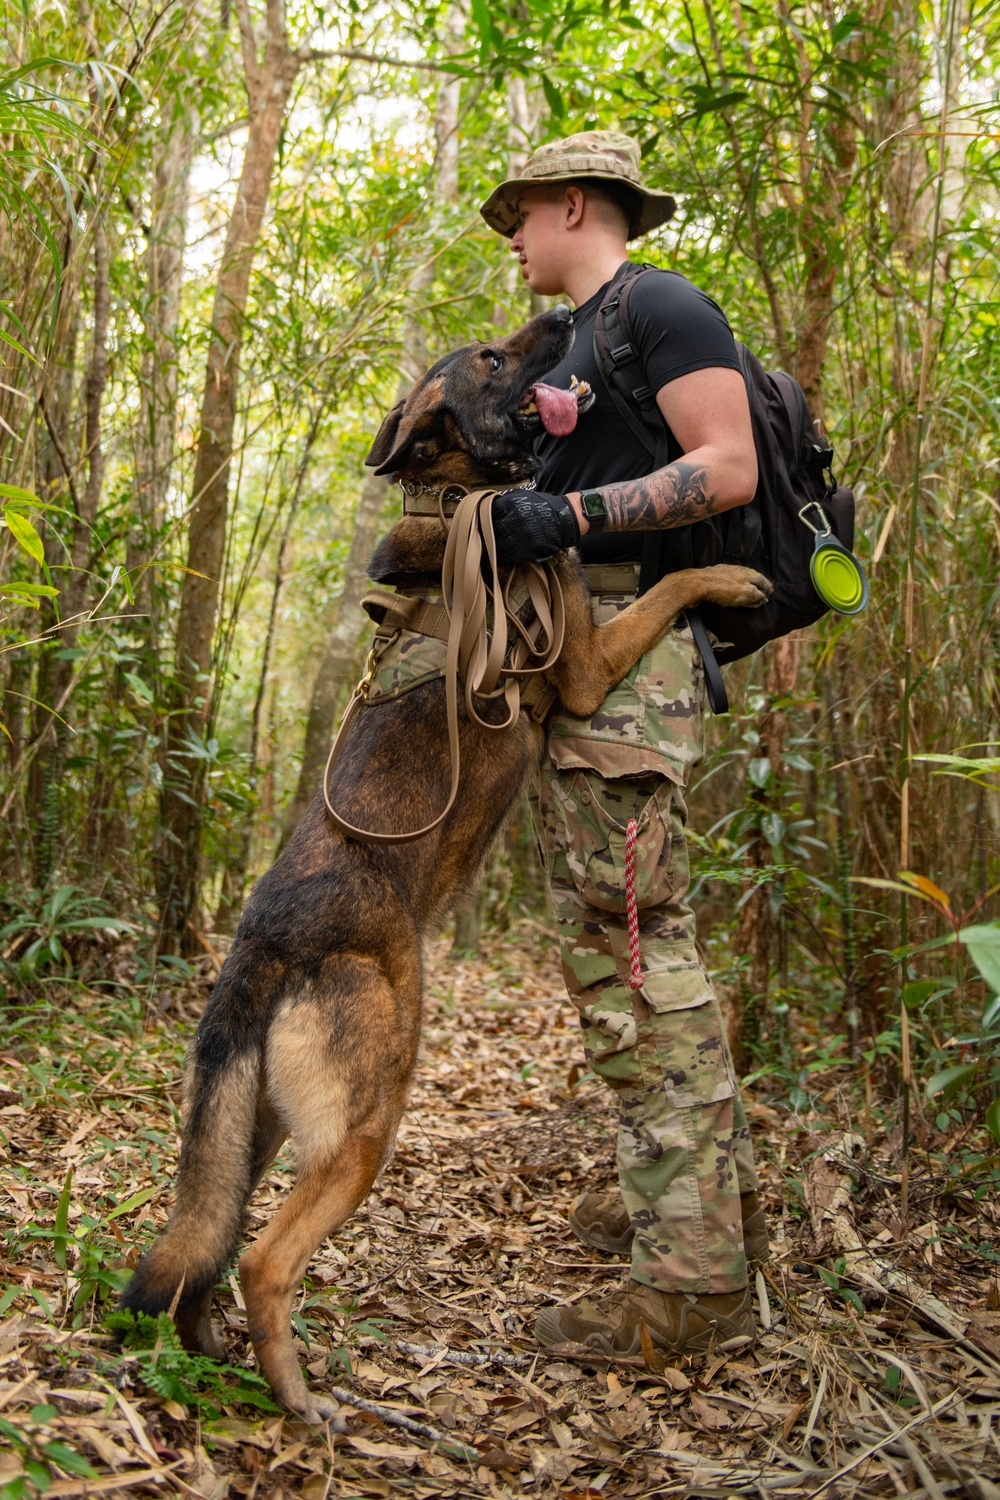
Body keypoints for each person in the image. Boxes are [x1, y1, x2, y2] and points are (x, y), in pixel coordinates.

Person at [478, 131, 768, 1357]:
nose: (511, 240)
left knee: (635, 951)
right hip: (585, 660)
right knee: (619, 945)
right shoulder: (579, 335)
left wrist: (568, 511)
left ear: (573, 204)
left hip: (635, 671)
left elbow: (729, 465)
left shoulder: (656, 302)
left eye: (521, 218)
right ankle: (689, 1200)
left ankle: (691, 1288)